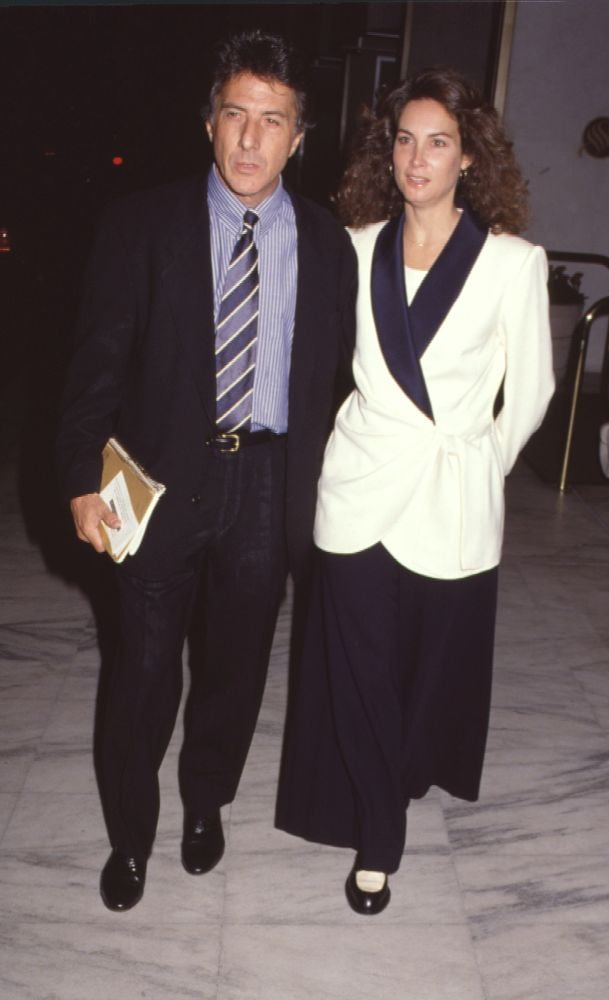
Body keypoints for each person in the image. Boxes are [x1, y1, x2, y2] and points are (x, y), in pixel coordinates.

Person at [56, 30, 356, 912]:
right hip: (156, 479)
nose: (252, 140)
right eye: (238, 115)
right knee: (142, 671)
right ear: (210, 122)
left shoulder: (331, 245)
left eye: (275, 121)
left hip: (267, 486)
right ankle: (131, 834)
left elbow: (342, 381)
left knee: (235, 670)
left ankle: (205, 803)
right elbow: (92, 371)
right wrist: (80, 478)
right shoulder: (140, 225)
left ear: (300, 137)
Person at [276, 67, 554, 915]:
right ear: (385, 150)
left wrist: (475, 458)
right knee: (359, 667)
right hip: (358, 488)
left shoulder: (512, 262)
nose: (417, 157)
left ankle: (396, 779)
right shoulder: (354, 246)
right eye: (404, 139)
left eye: (438, 141)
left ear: (468, 156)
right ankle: (378, 839)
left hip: (451, 495)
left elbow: (533, 390)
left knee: (420, 675)